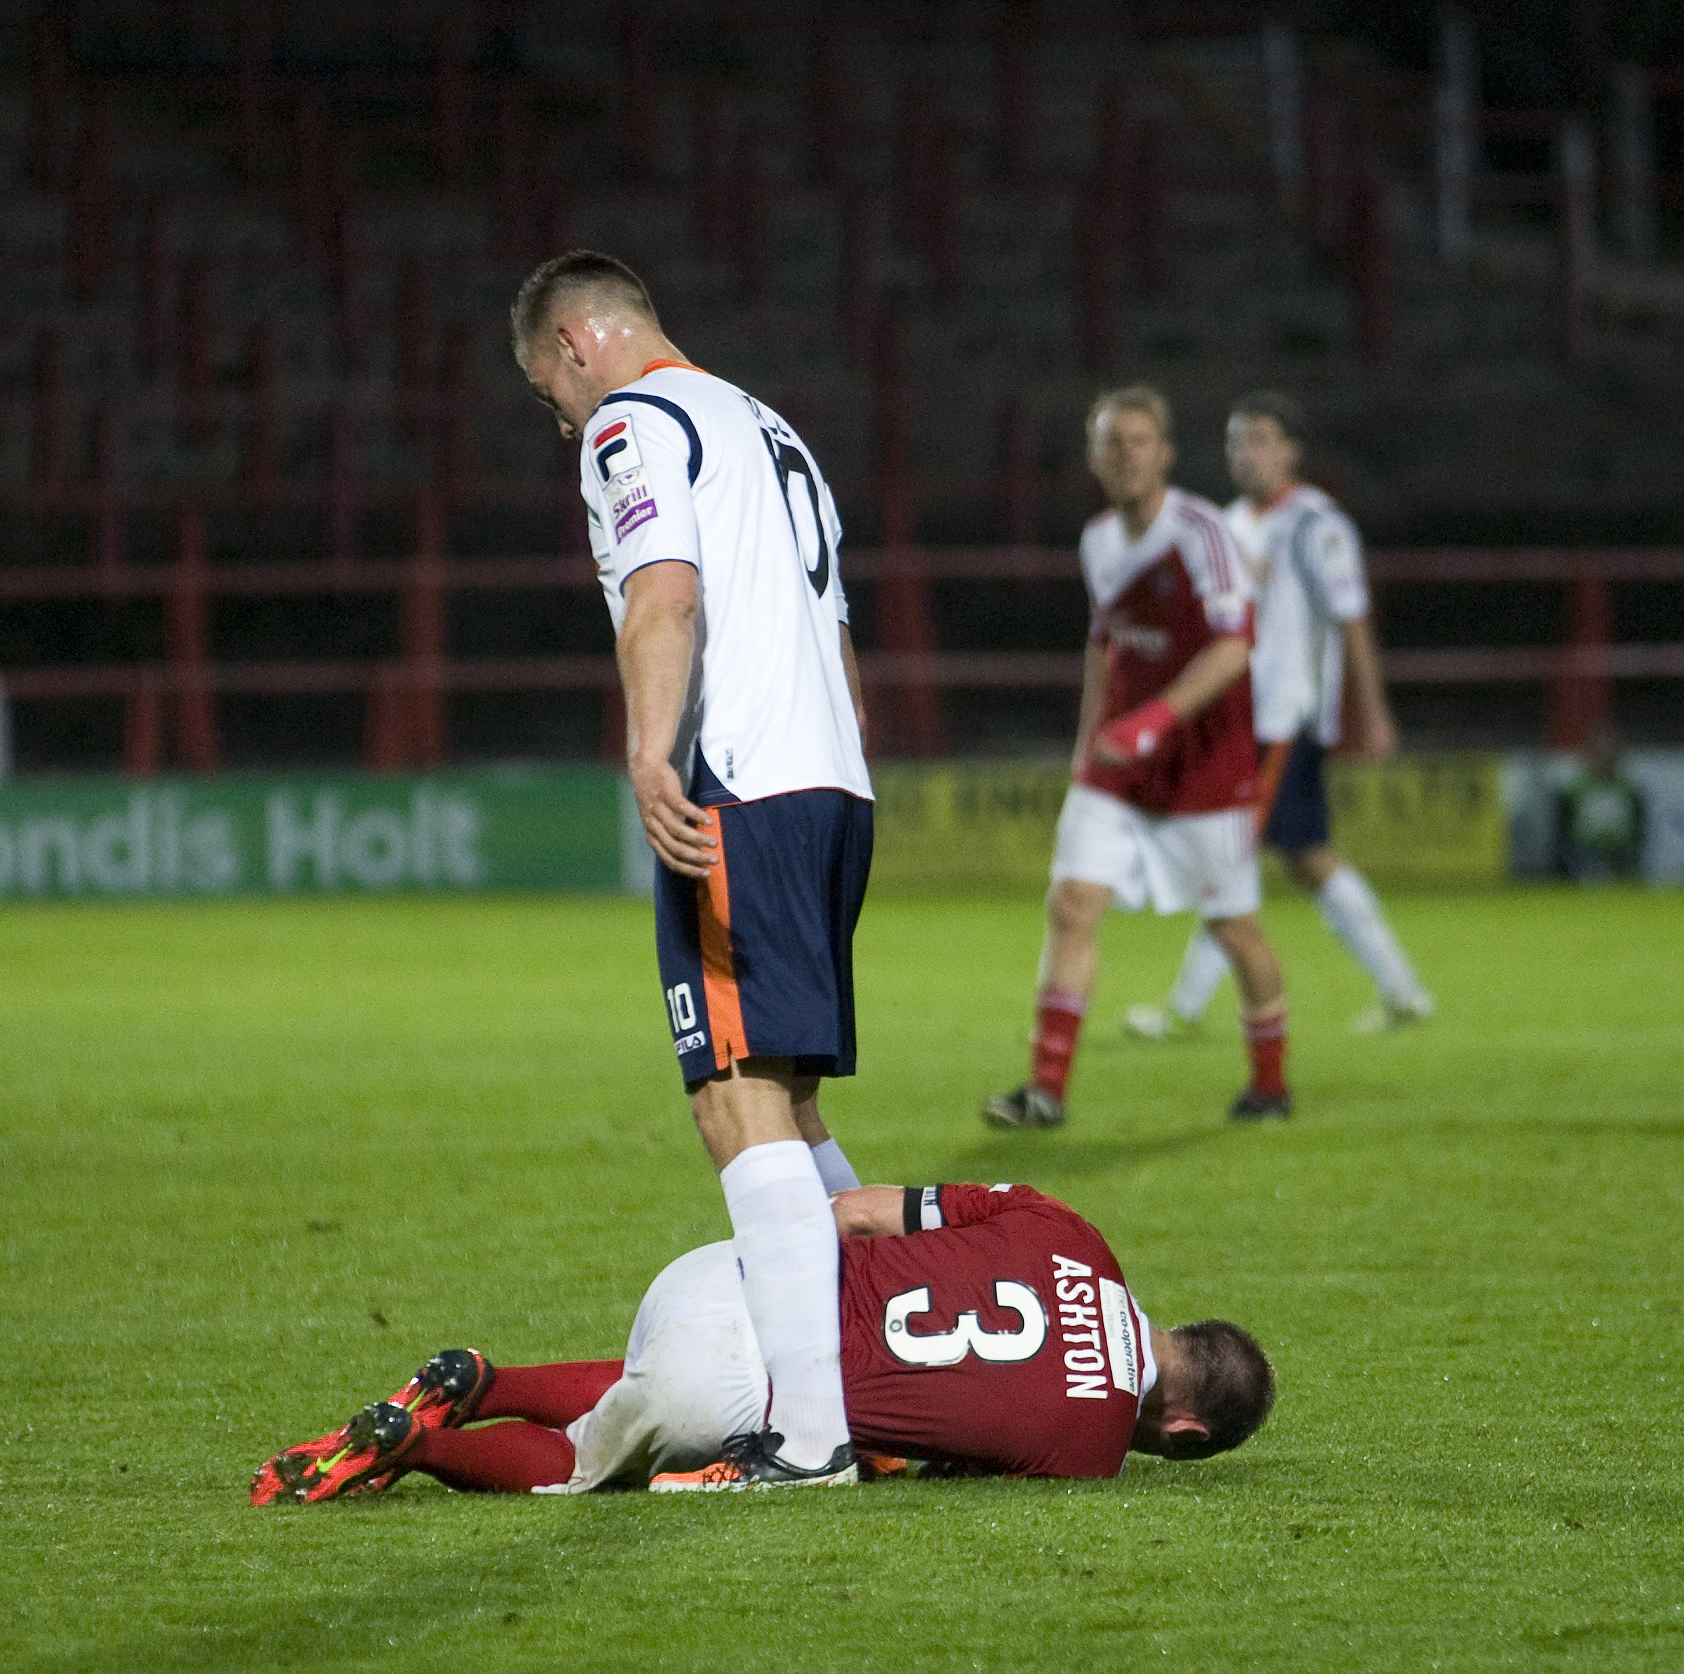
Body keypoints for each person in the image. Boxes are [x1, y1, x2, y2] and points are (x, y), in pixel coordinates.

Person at [510, 251, 874, 1488]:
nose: (557, 417)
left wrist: (647, 752)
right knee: (791, 1099)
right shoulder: (774, 429)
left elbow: (664, 597)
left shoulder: (630, 421)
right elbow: (830, 630)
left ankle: (818, 1438)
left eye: (544, 390)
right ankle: (900, 1354)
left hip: (742, 784)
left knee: (734, 1099)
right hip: (830, 782)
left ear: (573, 344)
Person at [251, 1180, 1275, 1500]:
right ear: (1180, 1430)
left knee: (672, 1378)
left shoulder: (1072, 1231)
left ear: (1175, 1325)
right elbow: (919, 1454)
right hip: (735, 1392)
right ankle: (421, 1445)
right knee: (588, 1463)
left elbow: (864, 1212)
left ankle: (482, 1376)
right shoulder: (1089, 1452)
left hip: (722, 1267)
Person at [984, 385, 1293, 1129]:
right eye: (1111, 442)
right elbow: (1105, 647)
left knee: (1233, 928)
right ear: (1092, 458)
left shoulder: (1201, 532)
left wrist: (1152, 721)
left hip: (1203, 766)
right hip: (1116, 766)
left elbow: (1231, 648)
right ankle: (1044, 1091)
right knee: (1071, 904)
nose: (1125, 454)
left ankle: (1269, 1084)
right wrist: (1088, 742)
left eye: (1139, 440)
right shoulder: (1096, 540)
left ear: (1165, 454)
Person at [1126, 393, 1433, 1040]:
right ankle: (1402, 991)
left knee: (1231, 858)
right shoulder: (1231, 524)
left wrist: (1371, 713)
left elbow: (1351, 621)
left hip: (1282, 719)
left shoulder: (1316, 525)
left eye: (1262, 439)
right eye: (1238, 441)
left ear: (1292, 449)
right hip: (1239, 722)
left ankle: (1182, 1010)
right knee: (1303, 858)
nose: (1247, 453)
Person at [1556, 724, 1645, 880]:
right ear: (1590, 756)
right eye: (1600, 754)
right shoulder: (1575, 789)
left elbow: (1639, 824)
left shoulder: (1628, 789)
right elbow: (1563, 826)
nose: (1605, 759)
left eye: (1610, 754)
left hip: (1621, 853)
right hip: (1585, 852)